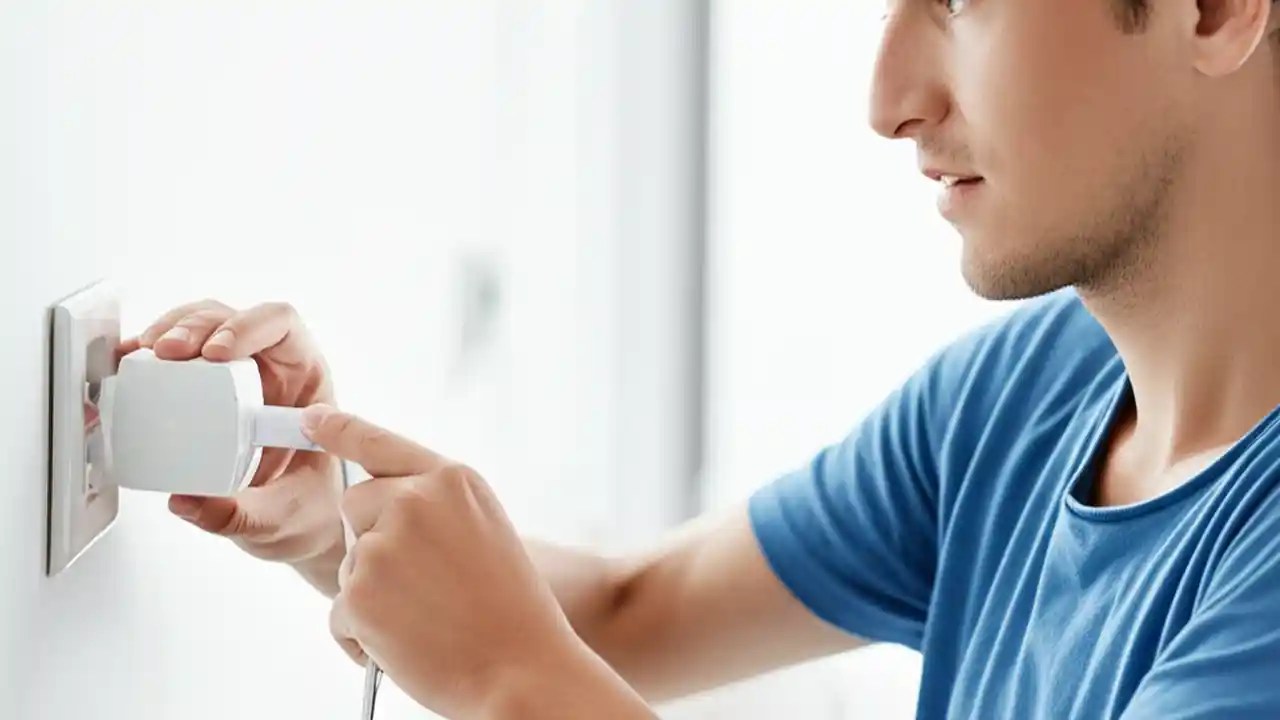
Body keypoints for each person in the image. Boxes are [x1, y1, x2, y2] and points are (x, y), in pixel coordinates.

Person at [125, 0, 1280, 717]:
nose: (887, 102)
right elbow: (631, 613)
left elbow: (540, 655)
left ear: (1215, 9)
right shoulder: (1021, 394)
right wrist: (334, 514)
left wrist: (514, 684)